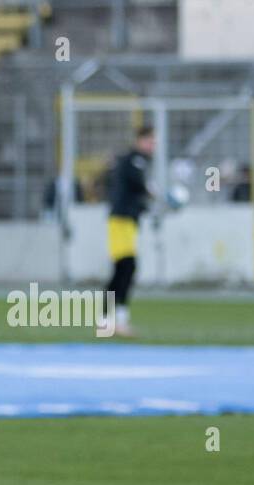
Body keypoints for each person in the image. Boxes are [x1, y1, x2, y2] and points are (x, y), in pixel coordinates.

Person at [102, 125, 155, 338]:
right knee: (124, 268)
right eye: (151, 141)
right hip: (121, 220)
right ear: (140, 140)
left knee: (126, 270)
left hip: (127, 221)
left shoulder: (134, 161)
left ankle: (117, 320)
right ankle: (108, 321)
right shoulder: (134, 160)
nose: (153, 146)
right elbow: (140, 186)